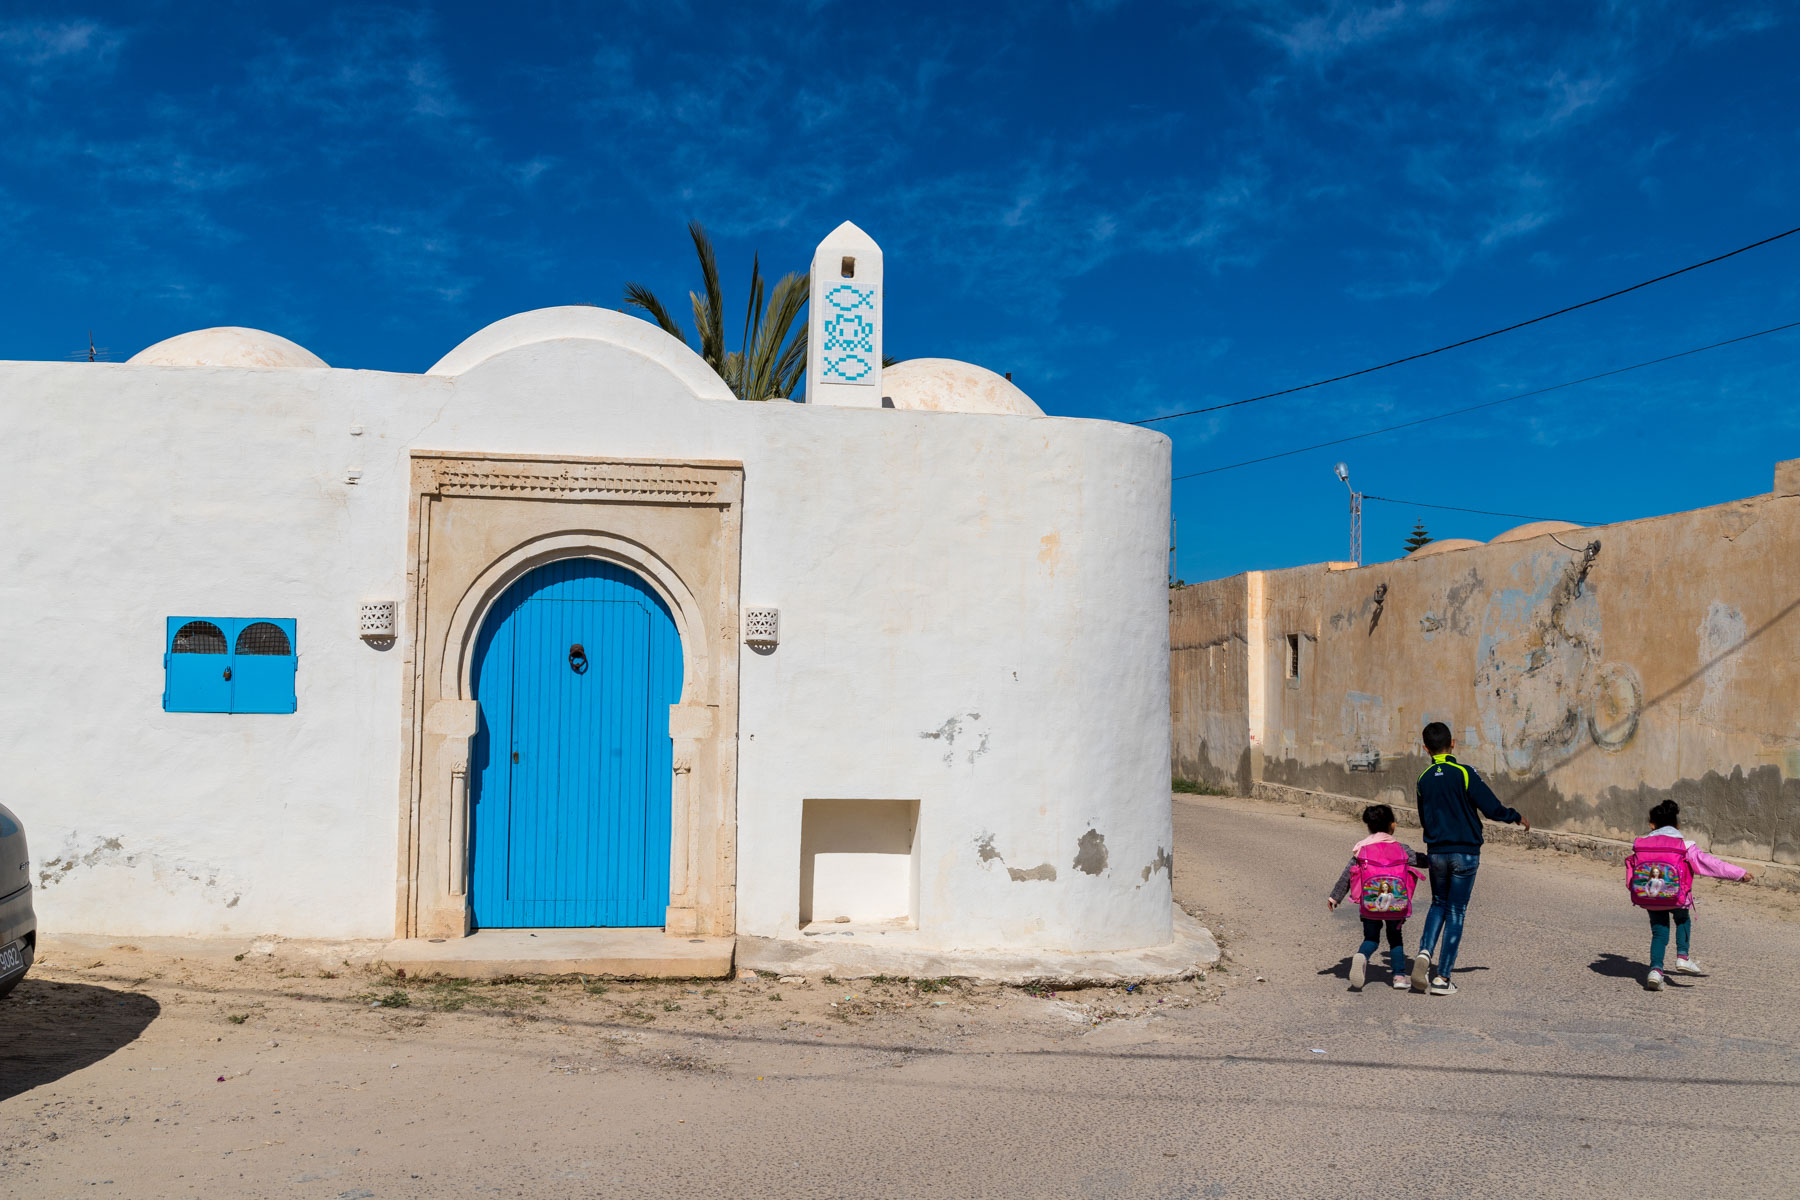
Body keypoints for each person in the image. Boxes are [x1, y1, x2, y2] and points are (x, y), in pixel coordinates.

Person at [1410, 722, 1529, 997]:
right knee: (1456, 910)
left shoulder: (1423, 778)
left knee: (1438, 903)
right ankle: (1442, 978)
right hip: (1465, 852)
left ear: (1425, 749)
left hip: (1436, 851)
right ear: (1453, 744)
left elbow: (1423, 818)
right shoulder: (1464, 773)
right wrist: (1514, 816)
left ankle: (1425, 951)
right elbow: (1490, 807)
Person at [1634, 799, 1755, 991]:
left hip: (1650, 897)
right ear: (1677, 825)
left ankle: (1655, 971)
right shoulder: (1686, 846)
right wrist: (1739, 874)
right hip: (1677, 898)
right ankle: (1682, 957)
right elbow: (1711, 864)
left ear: (1652, 824)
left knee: (1659, 932)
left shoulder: (1641, 844)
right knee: (1682, 919)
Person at [1327, 803, 1428, 991]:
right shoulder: (1401, 848)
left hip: (1370, 904)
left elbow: (1347, 875)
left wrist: (1335, 897)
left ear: (1369, 826)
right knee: (1395, 938)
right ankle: (1399, 976)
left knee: (1371, 938)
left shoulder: (1362, 850)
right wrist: (1439, 859)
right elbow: (1421, 860)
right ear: (1393, 825)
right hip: (1396, 904)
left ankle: (1362, 956)